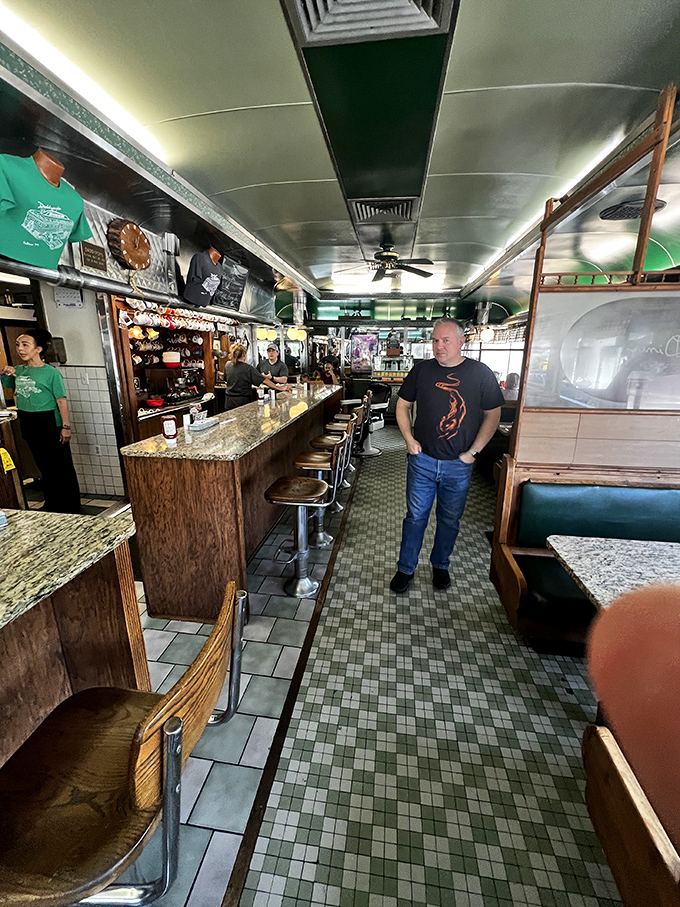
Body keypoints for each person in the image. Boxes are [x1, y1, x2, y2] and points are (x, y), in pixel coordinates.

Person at [390, 317, 504, 593]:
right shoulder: (421, 371)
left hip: (459, 464)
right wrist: (409, 439)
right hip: (423, 460)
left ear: (462, 341)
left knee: (450, 519)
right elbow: (402, 406)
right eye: (435, 341)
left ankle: (440, 564)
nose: (438, 346)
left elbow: (493, 415)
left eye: (445, 340)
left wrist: (473, 452)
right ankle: (406, 568)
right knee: (415, 517)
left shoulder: (480, 373)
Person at [0, 327, 80, 513]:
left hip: (49, 422)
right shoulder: (18, 370)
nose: (20, 348)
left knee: (61, 466)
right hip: (28, 420)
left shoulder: (51, 373)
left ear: (38, 349)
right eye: (18, 344)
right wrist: (5, 374)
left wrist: (66, 427)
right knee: (43, 465)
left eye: (25, 345)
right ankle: (52, 503)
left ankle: (70, 504)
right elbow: (9, 386)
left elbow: (61, 400)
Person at [224, 343, 288, 410]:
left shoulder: (227, 365)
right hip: (242, 401)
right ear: (243, 354)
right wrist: (280, 388)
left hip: (229, 401)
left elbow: (225, 379)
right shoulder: (248, 368)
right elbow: (264, 381)